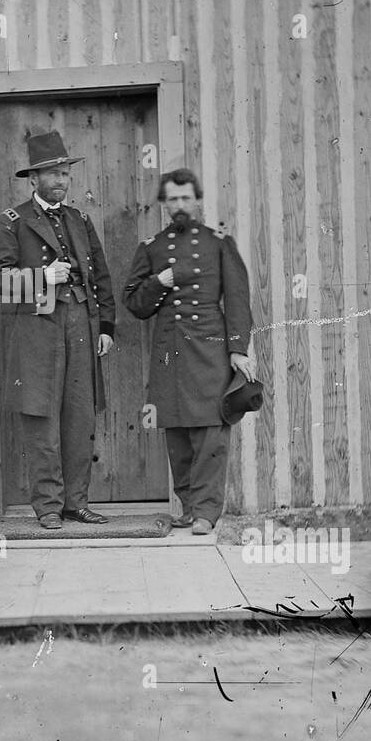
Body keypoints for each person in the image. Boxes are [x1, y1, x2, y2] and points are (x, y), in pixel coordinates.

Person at [0, 131, 116, 528]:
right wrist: (43, 275)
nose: (61, 181)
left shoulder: (79, 219)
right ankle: (47, 507)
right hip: (37, 329)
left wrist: (106, 326)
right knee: (41, 418)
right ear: (34, 179)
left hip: (80, 323)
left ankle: (76, 502)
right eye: (52, 174)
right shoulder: (13, 221)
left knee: (80, 416)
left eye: (65, 173)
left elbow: (101, 276)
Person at [122, 168, 256, 534]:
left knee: (211, 433)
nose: (180, 205)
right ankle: (188, 506)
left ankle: (206, 513)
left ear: (196, 201)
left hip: (210, 349)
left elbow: (238, 300)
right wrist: (160, 280)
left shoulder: (219, 243)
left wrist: (238, 349)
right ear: (163, 204)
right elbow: (134, 303)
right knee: (178, 434)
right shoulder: (151, 247)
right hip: (170, 353)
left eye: (186, 198)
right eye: (172, 199)